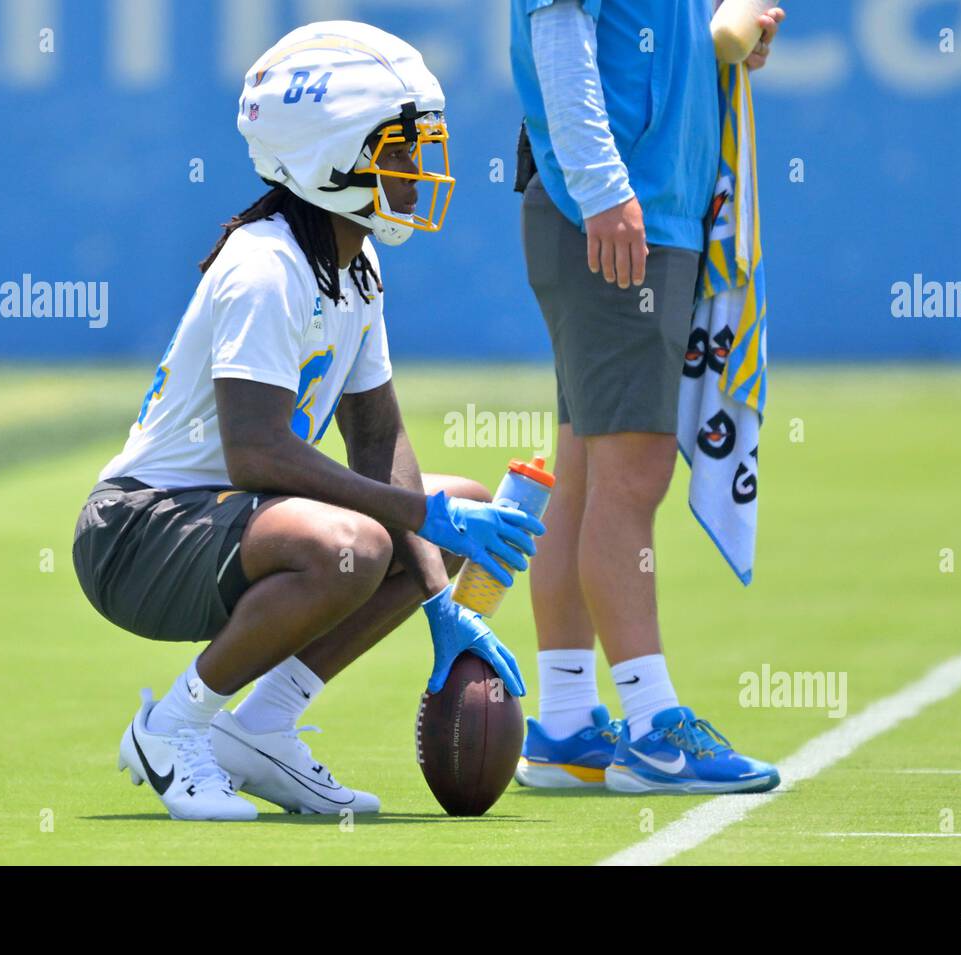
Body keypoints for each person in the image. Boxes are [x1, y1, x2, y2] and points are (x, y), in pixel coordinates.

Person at [72, 21, 542, 821]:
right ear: (333, 157)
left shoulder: (355, 263)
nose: (418, 170)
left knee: (441, 504)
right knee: (358, 541)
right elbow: (255, 450)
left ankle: (262, 726)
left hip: (220, 524)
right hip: (136, 535)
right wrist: (417, 516)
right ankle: (172, 727)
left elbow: (377, 439)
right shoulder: (265, 267)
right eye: (397, 150)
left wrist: (438, 599)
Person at [509, 0, 785, 793]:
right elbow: (558, 35)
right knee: (633, 473)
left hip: (635, 207)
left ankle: (565, 722)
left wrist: (715, 51)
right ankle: (654, 730)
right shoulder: (607, 196)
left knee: (593, 468)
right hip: (616, 211)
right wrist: (602, 189)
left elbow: (642, 47)